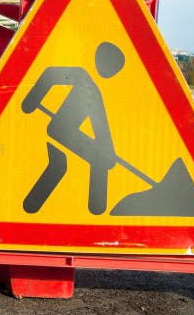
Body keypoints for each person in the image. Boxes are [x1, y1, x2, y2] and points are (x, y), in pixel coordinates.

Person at [20, 42, 125, 215]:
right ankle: (96, 207)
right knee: (67, 164)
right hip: (61, 129)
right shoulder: (83, 78)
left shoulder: (94, 91)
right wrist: (30, 101)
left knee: (61, 166)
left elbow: (101, 128)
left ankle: (96, 207)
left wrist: (107, 153)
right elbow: (50, 75)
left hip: (65, 132)